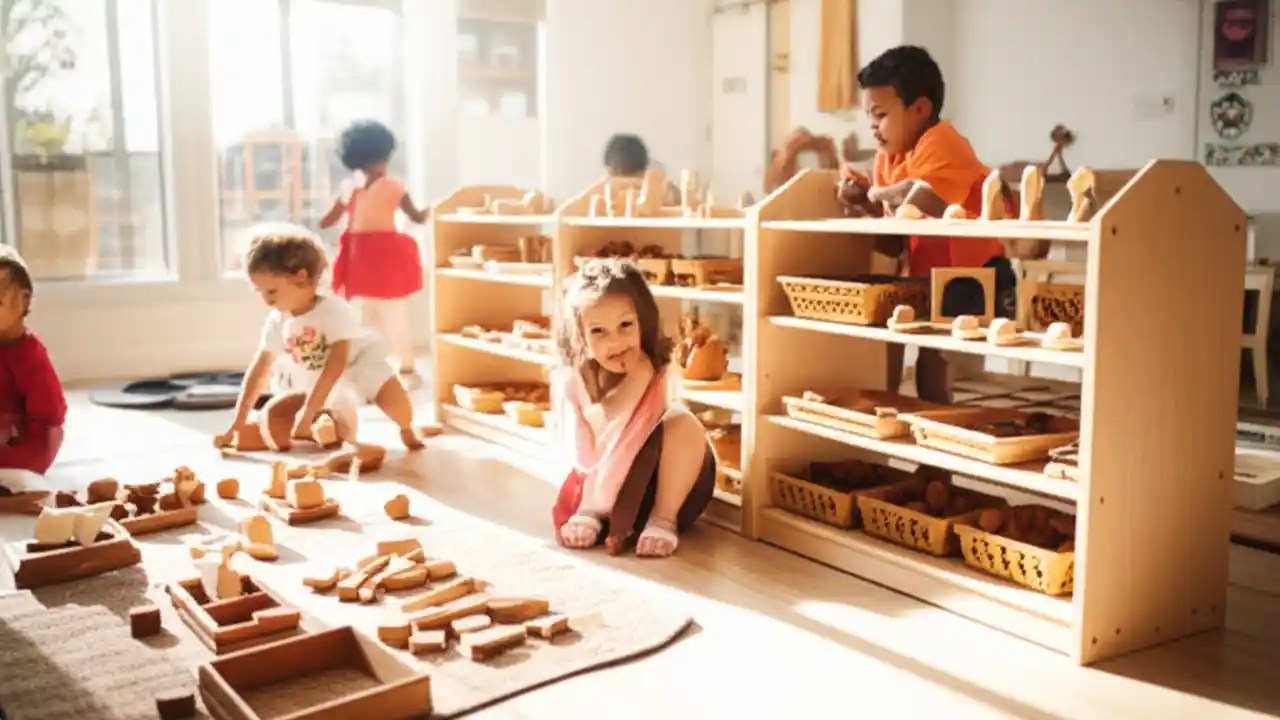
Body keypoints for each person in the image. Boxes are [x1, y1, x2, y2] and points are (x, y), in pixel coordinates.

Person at [839, 45, 1009, 402]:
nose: (873, 127)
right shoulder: (888, 158)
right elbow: (895, 234)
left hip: (977, 273)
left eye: (881, 114)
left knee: (931, 359)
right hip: (926, 276)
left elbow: (920, 199)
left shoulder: (942, 142)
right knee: (890, 337)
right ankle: (890, 417)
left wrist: (878, 194)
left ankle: (934, 438)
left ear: (920, 109)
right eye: (869, 117)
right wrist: (865, 203)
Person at [215, 224, 438, 453]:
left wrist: (310, 410)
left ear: (301, 276)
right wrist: (237, 422)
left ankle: (407, 427)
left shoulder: (334, 312)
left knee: (394, 400)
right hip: (312, 376)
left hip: (354, 366)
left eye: (271, 291)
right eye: (259, 292)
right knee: (288, 417)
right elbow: (260, 369)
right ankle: (324, 430)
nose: (266, 301)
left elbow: (336, 364)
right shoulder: (278, 321)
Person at [551, 260, 716, 558]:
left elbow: (624, 428)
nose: (616, 341)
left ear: (644, 322)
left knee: (684, 423)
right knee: (589, 426)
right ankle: (595, 510)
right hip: (600, 488)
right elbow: (586, 454)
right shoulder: (579, 378)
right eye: (599, 331)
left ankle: (664, 519)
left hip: (662, 487)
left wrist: (636, 378)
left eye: (625, 325)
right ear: (582, 339)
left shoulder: (653, 369)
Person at [320, 120, 428, 389]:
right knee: (360, 316)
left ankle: (406, 366)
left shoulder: (391, 187)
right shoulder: (352, 189)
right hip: (360, 259)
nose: (382, 165)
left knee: (392, 316)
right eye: (378, 160)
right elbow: (329, 219)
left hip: (381, 258)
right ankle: (363, 366)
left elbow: (416, 215)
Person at [0, 246, 65, 476]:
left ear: (24, 301)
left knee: (41, 441)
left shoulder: (31, 356)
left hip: (19, 439)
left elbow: (49, 416)